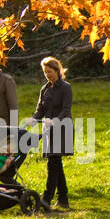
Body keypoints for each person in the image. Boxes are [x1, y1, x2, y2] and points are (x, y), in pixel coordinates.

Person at [32, 56, 73, 210]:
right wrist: (33, 119)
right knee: (56, 164)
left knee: (53, 164)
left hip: (62, 129)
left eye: (49, 71)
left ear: (57, 70)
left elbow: (65, 110)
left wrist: (54, 121)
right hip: (48, 130)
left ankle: (46, 198)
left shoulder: (66, 88)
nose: (47, 75)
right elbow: (40, 110)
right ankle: (63, 199)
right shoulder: (44, 89)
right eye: (45, 72)